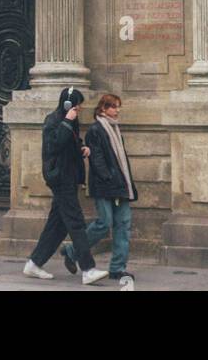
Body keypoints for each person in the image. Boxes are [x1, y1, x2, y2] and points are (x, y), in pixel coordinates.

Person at [23, 86, 109, 285]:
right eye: (76, 107)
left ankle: (34, 263)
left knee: (58, 226)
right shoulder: (53, 121)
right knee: (76, 222)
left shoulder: (69, 121)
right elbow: (54, 145)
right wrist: (67, 121)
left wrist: (82, 148)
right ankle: (88, 269)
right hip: (60, 179)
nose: (78, 110)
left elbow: (70, 144)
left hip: (69, 177)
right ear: (67, 104)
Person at [61, 92, 137, 285]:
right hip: (105, 186)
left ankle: (117, 268)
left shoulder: (116, 129)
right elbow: (98, 160)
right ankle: (72, 251)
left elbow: (121, 161)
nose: (117, 110)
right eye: (114, 107)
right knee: (104, 223)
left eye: (118, 106)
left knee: (123, 225)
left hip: (121, 185)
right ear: (103, 108)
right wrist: (110, 179)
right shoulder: (96, 130)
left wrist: (122, 182)